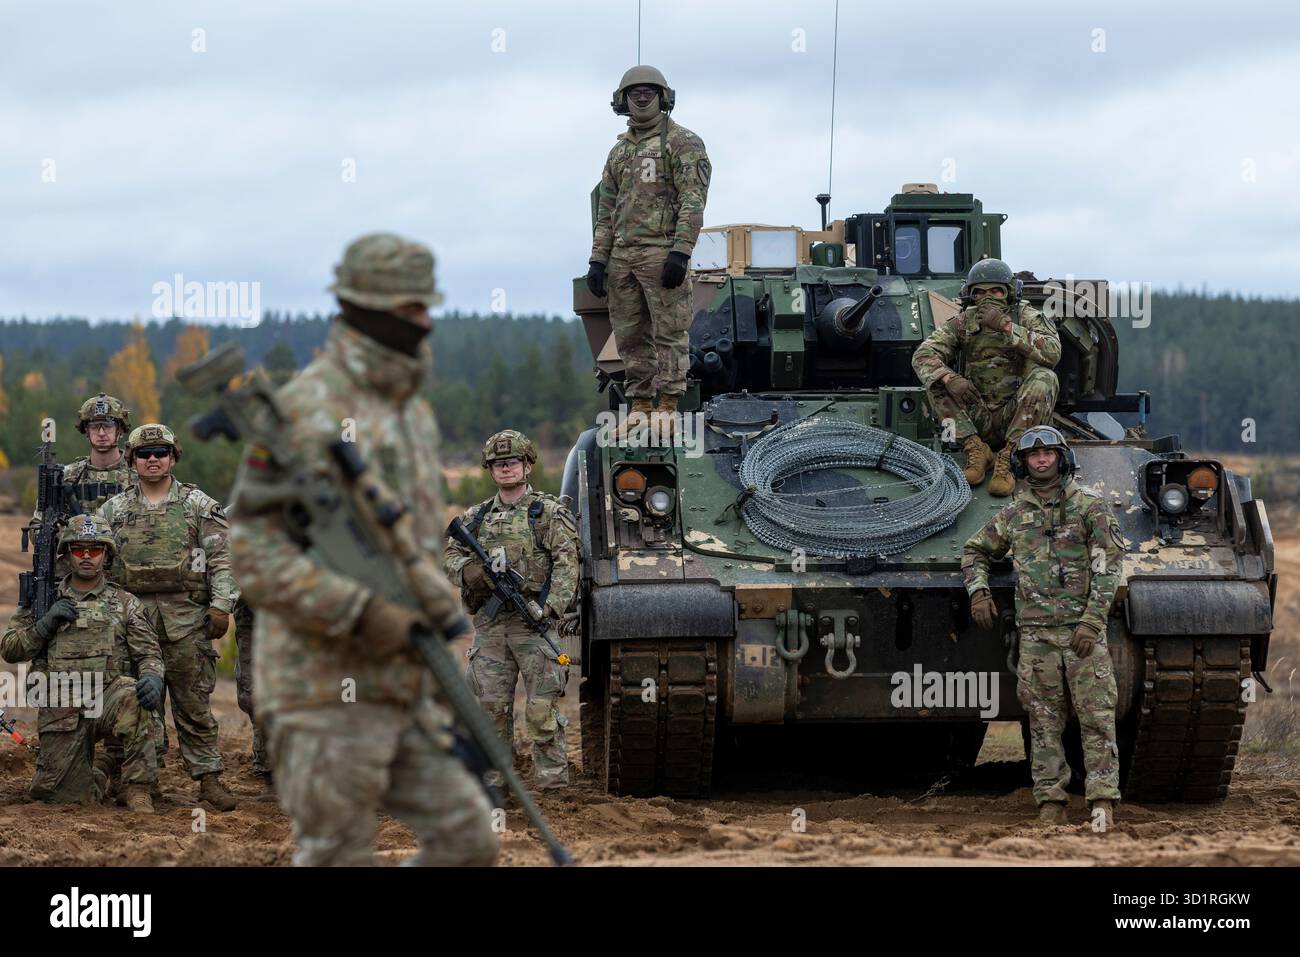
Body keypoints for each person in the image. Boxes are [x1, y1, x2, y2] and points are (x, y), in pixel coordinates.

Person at [227, 232, 498, 866]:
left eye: (426, 306)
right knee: (338, 855)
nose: (426, 322)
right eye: (411, 308)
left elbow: (401, 535)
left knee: (468, 839)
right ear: (364, 309)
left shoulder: (411, 413)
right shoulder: (305, 410)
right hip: (320, 689)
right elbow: (254, 555)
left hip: (402, 681)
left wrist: (426, 588)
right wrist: (359, 611)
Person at [961, 426, 1126, 827]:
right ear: (1023, 463)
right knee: (1043, 723)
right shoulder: (1015, 514)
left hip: (1081, 634)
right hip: (1036, 637)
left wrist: (1092, 622)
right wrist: (979, 592)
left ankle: (1102, 800)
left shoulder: (1090, 509)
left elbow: (1109, 568)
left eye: (1048, 453)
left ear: (1061, 458)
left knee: (1096, 718)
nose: (1040, 460)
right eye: (1033, 455)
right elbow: (974, 551)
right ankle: (1050, 802)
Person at [95, 423, 240, 811]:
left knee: (194, 705)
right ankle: (143, 781)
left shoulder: (197, 505)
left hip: (187, 623)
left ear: (173, 458)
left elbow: (223, 560)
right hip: (133, 624)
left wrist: (221, 606)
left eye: (161, 452)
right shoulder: (113, 510)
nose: (153, 459)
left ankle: (209, 779)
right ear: (132, 461)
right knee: (141, 704)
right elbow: (97, 566)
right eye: (144, 454)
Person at [443, 430, 579, 790]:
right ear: (490, 470)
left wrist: (548, 609)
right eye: (498, 463)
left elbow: (568, 565)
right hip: (490, 628)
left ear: (528, 465)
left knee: (542, 710)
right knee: (490, 711)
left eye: (513, 462)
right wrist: (470, 572)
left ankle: (552, 785)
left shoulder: (548, 514)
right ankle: (495, 783)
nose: (505, 468)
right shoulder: (476, 517)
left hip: (533, 624)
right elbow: (450, 557)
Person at [1, 514, 162, 812]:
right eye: (78, 550)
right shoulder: (44, 600)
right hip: (62, 705)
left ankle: (138, 788)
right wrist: (44, 625)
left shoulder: (125, 603)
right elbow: (10, 650)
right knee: (55, 795)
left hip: (108, 697)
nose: (87, 556)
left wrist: (152, 677)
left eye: (95, 549)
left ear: (106, 555)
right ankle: (101, 769)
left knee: (135, 695)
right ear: (67, 555)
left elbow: (149, 654)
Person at [586, 65, 711, 442]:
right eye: (635, 93)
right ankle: (640, 407)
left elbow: (692, 201)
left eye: (649, 92)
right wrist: (598, 259)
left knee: (669, 332)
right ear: (622, 100)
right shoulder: (619, 152)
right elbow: (607, 210)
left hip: (661, 251)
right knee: (629, 336)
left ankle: (668, 407)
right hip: (622, 257)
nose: (642, 98)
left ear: (663, 97)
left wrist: (681, 252)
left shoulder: (682, 143)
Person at [912, 258, 1060, 496]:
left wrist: (1006, 326)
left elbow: (1052, 353)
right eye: (979, 292)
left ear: (1009, 293)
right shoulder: (964, 321)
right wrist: (950, 378)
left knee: (1046, 377)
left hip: (1017, 414)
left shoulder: (1025, 316)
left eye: (996, 291)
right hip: (976, 413)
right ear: (971, 295)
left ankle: (1012, 455)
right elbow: (923, 355)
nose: (987, 297)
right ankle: (975, 449)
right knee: (935, 380)